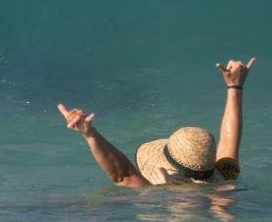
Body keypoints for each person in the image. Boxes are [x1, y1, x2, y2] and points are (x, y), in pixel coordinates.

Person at [57, 58, 255, 187]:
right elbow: (229, 141)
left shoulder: (160, 195)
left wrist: (90, 134)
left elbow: (122, 175)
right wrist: (235, 86)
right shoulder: (227, 178)